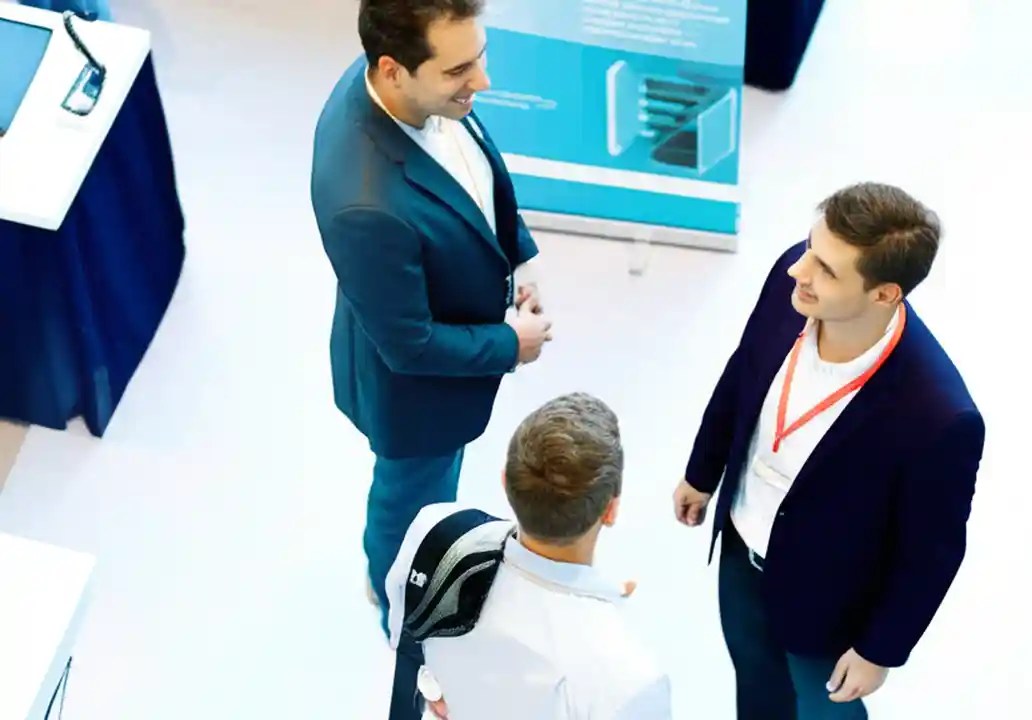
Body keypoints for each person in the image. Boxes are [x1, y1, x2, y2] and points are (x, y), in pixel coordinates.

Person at [672, 183, 986, 719]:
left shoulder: (938, 415)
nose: (801, 269)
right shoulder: (790, 283)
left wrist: (879, 651)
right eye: (809, 248)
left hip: (829, 603)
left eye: (827, 268)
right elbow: (742, 372)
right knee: (756, 685)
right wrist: (702, 472)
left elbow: (931, 552)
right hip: (742, 554)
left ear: (885, 293)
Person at [309, 0, 552, 635]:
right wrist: (510, 343)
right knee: (410, 500)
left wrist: (518, 254)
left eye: (481, 56)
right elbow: (409, 346)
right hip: (416, 396)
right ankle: (398, 602)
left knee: (432, 489)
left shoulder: (424, 92)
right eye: (459, 70)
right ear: (393, 71)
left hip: (446, 332)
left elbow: (477, 172)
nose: (483, 82)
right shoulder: (364, 203)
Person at [385, 393, 672, 719]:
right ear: (610, 510)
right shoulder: (627, 680)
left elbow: (407, 644)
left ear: (505, 480)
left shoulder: (437, 533)